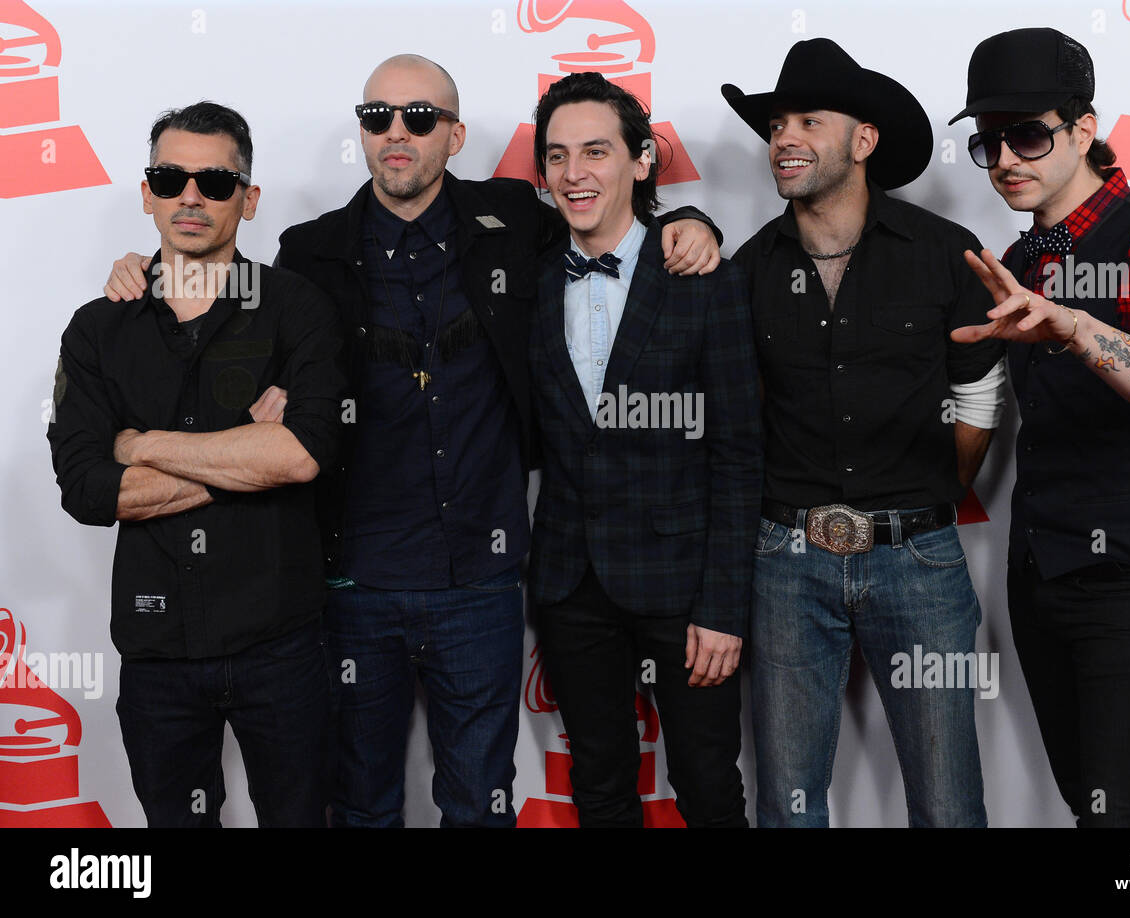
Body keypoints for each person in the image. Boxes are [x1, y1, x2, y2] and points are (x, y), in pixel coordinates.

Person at [102, 54, 720, 828]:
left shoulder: (514, 219)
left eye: (419, 118)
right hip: (352, 581)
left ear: (455, 135)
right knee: (361, 803)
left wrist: (692, 224)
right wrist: (147, 270)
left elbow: (611, 227)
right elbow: (213, 289)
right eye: (378, 117)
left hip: (483, 580)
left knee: (480, 803)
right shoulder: (310, 252)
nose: (397, 133)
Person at [721, 38, 1006, 827]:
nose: (784, 138)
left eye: (809, 120)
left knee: (949, 804)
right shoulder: (746, 268)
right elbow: (736, 422)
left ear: (864, 140)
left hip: (921, 559)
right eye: (776, 123)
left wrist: (934, 494)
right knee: (787, 804)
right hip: (785, 561)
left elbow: (979, 389)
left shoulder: (944, 253)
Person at [948, 27, 1130, 827]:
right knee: (1088, 806)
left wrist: (1072, 327)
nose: (1005, 158)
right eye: (988, 141)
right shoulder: (1021, 259)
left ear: (1083, 129)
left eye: (1027, 134)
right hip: (1039, 577)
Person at [47, 101, 345, 827]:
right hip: (156, 654)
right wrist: (243, 451)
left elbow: (302, 455)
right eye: (170, 177)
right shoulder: (96, 327)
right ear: (146, 192)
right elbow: (87, 489)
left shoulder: (297, 306)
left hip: (282, 642)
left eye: (215, 181)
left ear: (249, 198)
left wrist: (137, 444)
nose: (190, 196)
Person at [527, 71, 762, 828]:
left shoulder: (701, 277)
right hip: (570, 582)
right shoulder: (524, 280)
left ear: (640, 161)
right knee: (598, 786)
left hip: (685, 587)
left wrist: (724, 608)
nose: (574, 173)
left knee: (708, 786)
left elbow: (737, 450)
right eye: (557, 156)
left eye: (596, 151)